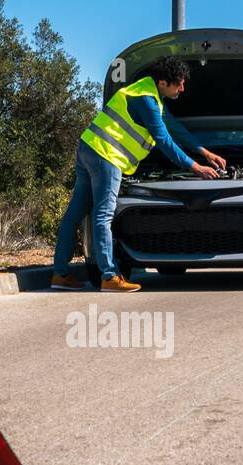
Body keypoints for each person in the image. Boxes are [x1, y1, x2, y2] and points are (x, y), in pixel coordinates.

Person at [52, 56, 226, 293]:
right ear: (163, 82)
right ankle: (110, 277)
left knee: (74, 214)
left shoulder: (145, 93)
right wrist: (196, 167)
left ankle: (60, 274)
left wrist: (205, 152)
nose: (183, 89)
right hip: (107, 156)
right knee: (103, 216)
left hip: (89, 148)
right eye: (179, 84)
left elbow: (174, 128)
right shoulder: (146, 101)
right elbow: (164, 141)